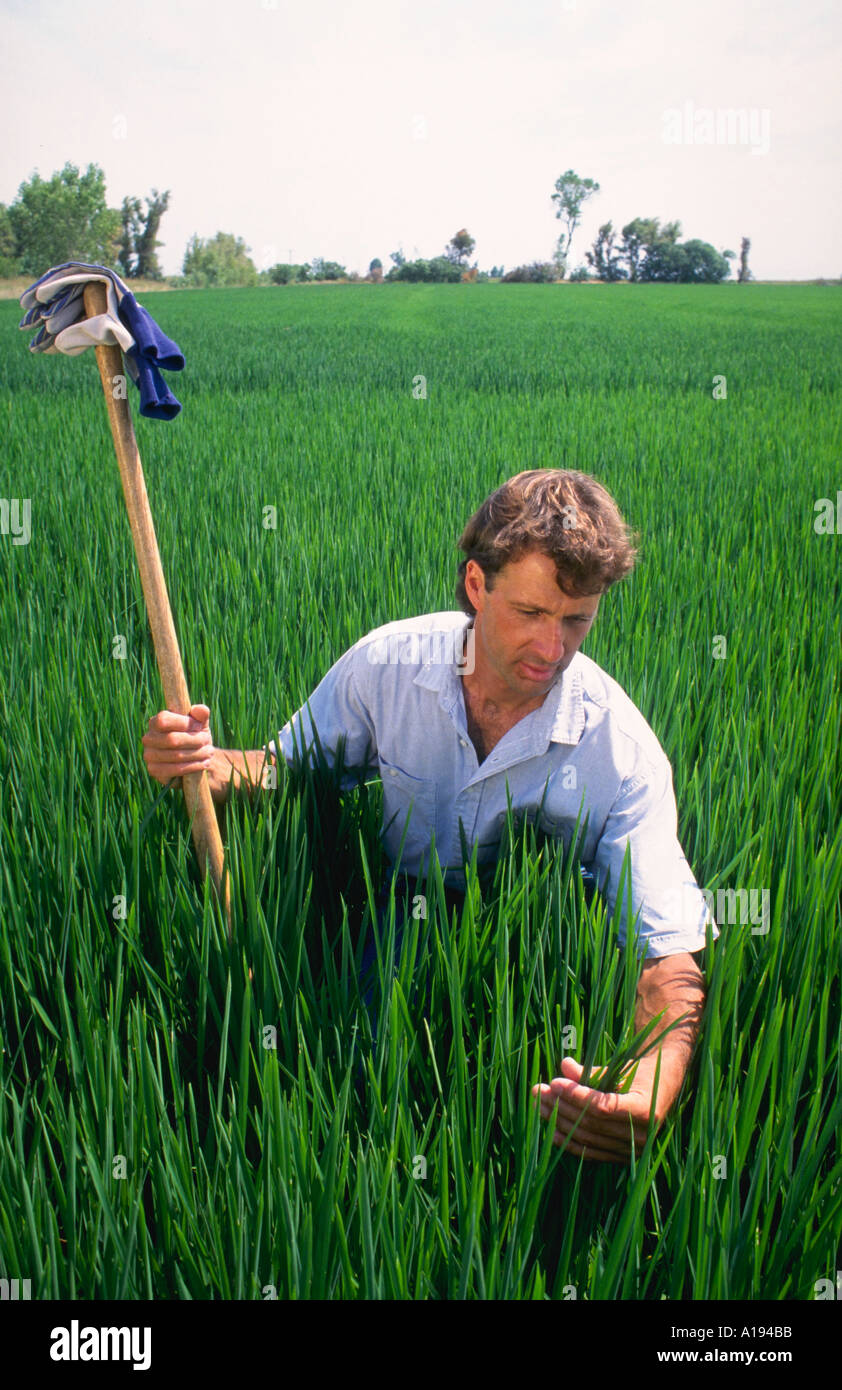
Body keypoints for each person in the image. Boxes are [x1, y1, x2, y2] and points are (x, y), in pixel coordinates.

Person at [142, 469, 716, 1163]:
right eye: (531, 613)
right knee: (326, 1092)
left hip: (518, 979)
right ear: (477, 585)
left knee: (475, 1142)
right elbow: (280, 771)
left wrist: (649, 1088)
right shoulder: (387, 667)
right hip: (383, 922)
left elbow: (669, 956)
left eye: (577, 621)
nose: (552, 649)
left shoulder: (620, 753)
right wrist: (200, 764)